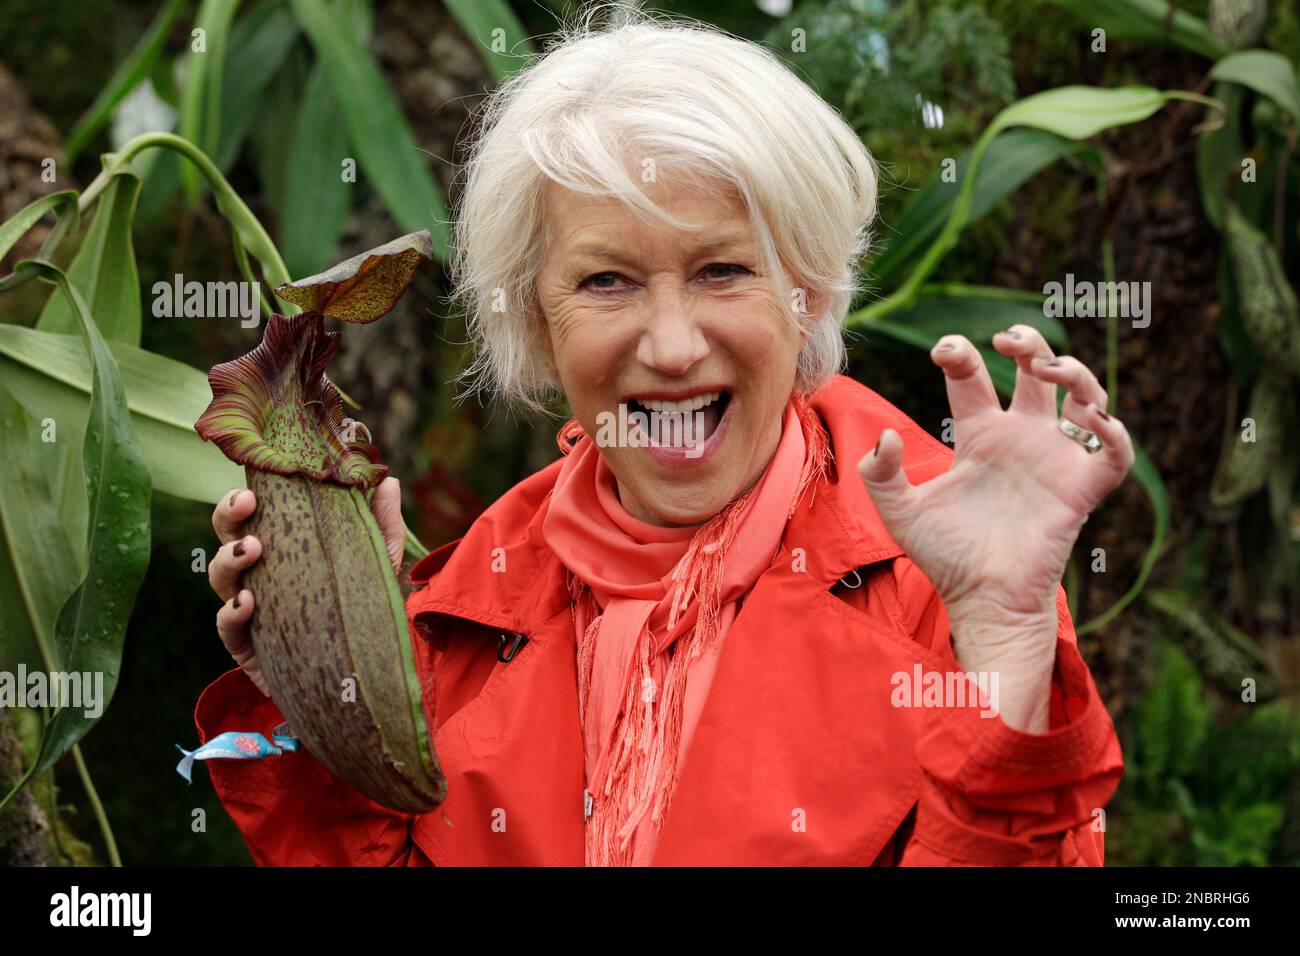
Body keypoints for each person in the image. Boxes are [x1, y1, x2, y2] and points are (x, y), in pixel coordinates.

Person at [195, 8, 1130, 866]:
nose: (675, 346)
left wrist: (1007, 646)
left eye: (724, 270)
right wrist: (325, 681)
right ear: (535, 318)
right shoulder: (454, 616)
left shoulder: (949, 576)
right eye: (607, 281)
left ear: (806, 297)